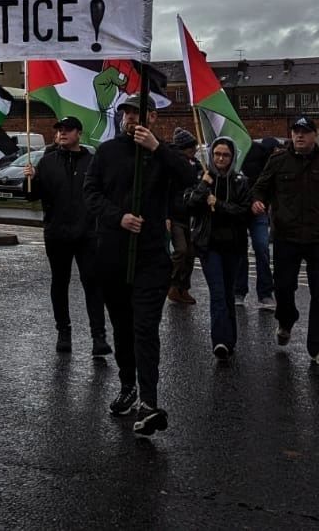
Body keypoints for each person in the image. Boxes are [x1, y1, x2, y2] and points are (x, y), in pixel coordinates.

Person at [83, 94, 198, 436]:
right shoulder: (107, 152)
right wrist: (118, 218)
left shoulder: (164, 153)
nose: (131, 118)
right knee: (122, 327)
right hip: (114, 254)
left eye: (138, 113)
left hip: (150, 258)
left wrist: (157, 149)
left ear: (152, 117)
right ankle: (128, 384)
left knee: (145, 327)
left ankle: (149, 402)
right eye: (126, 113)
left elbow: (189, 178)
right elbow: (90, 194)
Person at [251, 115, 319, 367]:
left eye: (305, 132)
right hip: (287, 237)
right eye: (296, 131)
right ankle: (286, 319)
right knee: (283, 288)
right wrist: (257, 201)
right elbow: (260, 187)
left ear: (315, 136)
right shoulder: (278, 161)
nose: (299, 136)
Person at [25, 116, 109, 358]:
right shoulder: (47, 161)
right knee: (59, 283)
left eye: (68, 129)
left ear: (79, 133)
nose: (63, 133)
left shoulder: (93, 162)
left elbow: (101, 193)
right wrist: (30, 179)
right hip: (57, 233)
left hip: (87, 234)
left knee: (92, 283)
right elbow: (32, 196)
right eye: (60, 130)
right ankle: (64, 331)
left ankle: (98, 336)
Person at [184, 137, 253, 360]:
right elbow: (190, 205)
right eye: (217, 154)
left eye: (225, 155)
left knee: (228, 292)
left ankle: (230, 338)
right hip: (209, 246)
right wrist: (204, 186)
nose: (220, 158)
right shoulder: (203, 177)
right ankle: (220, 341)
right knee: (217, 292)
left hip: (233, 246)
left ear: (232, 158)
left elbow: (244, 212)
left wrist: (219, 205)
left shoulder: (240, 181)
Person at [235, 137, 280, 310]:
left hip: (258, 211)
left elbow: (267, 188)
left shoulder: (269, 164)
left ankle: (264, 293)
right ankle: (242, 291)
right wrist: (254, 202)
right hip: (242, 211)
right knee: (244, 251)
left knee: (261, 248)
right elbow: (241, 185)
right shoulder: (250, 159)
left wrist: (262, 202)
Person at [166, 128, 201, 306]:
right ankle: (171, 284)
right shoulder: (174, 165)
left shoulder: (195, 163)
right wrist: (166, 215)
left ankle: (183, 288)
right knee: (180, 250)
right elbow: (165, 191)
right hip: (176, 214)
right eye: (191, 147)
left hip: (190, 215)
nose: (194, 150)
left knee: (191, 253)